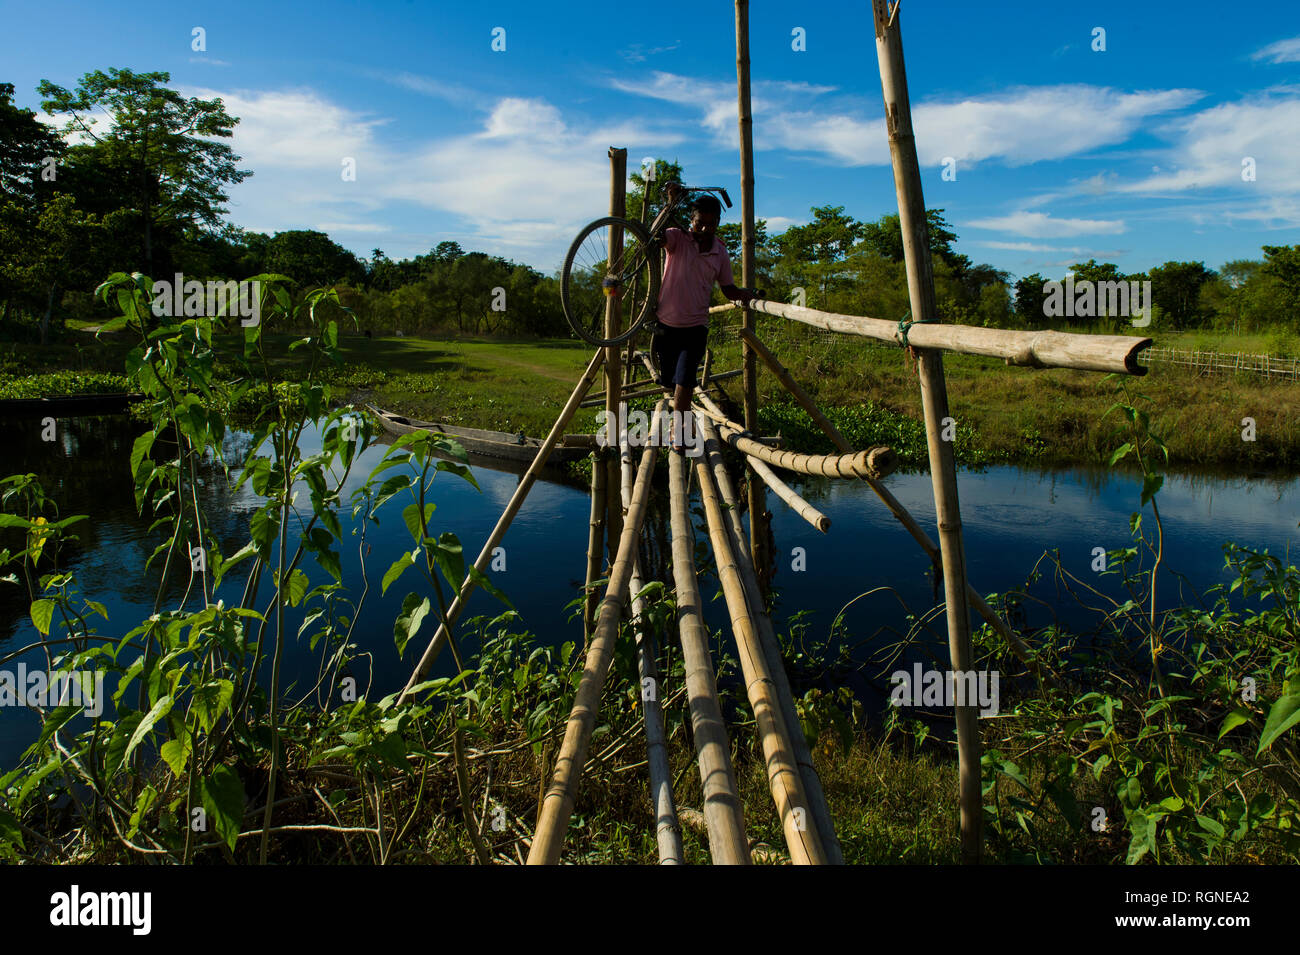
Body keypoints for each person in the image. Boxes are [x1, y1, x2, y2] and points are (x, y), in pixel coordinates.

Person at [651, 182, 759, 453]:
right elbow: (653, 235)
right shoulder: (677, 239)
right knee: (670, 382)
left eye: (710, 224)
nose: (704, 229)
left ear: (718, 222)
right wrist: (670, 203)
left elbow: (728, 289)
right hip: (666, 326)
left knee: (685, 382)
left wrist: (749, 295)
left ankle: (679, 434)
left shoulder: (720, 251)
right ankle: (677, 425)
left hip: (695, 328)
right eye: (700, 223)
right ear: (692, 221)